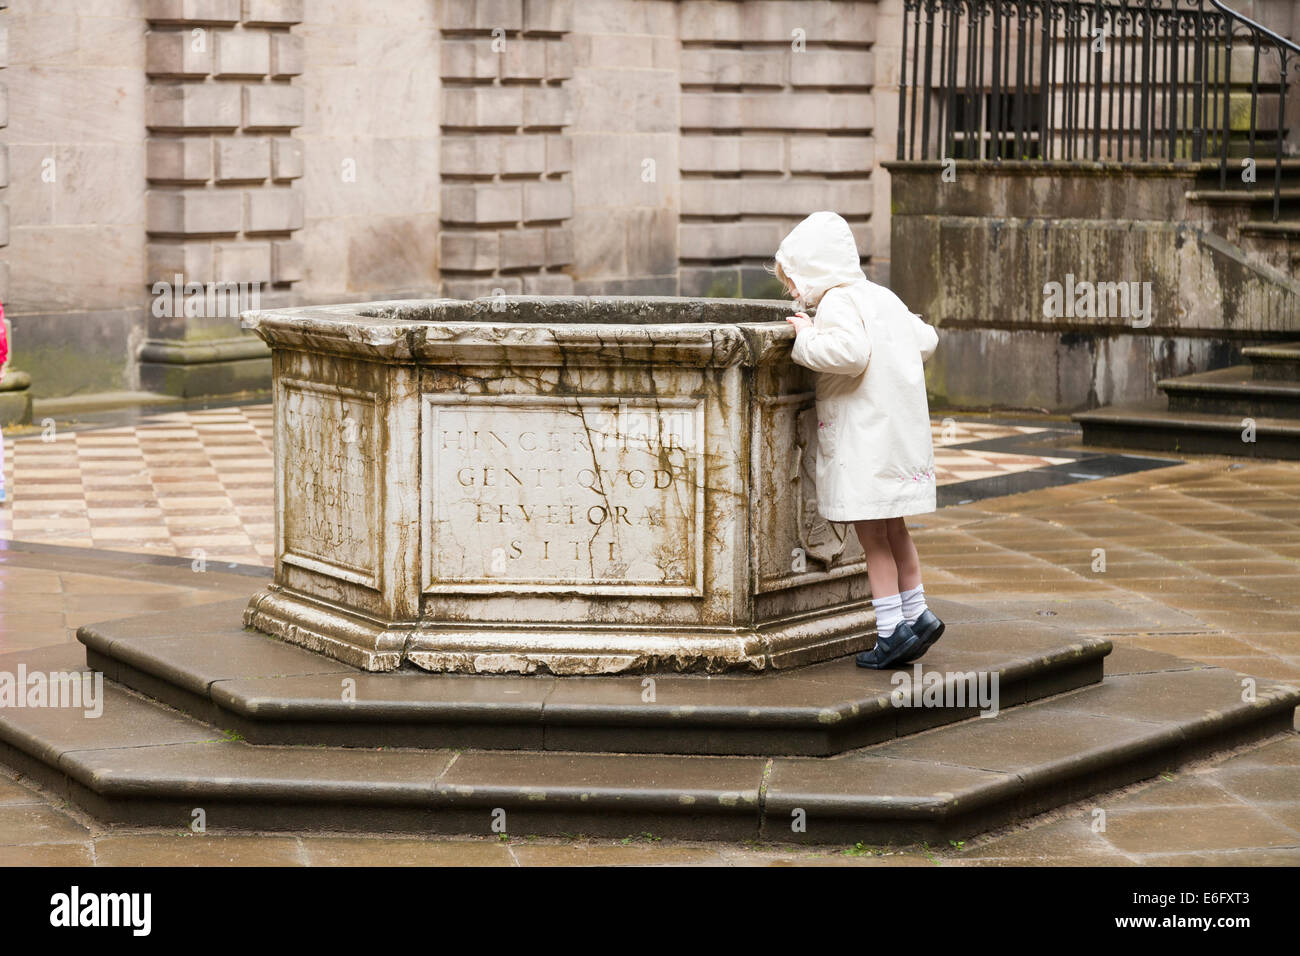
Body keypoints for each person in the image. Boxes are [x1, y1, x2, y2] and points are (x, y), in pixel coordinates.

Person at [772, 211, 944, 669]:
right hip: (896, 441)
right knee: (896, 530)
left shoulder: (836, 304)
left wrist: (806, 337)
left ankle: (890, 633)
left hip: (865, 445)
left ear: (816, 268)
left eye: (793, 278)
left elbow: (849, 354)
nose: (793, 291)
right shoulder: (882, 296)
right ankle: (919, 613)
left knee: (872, 540)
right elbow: (925, 339)